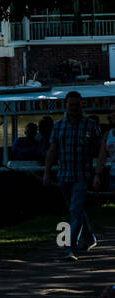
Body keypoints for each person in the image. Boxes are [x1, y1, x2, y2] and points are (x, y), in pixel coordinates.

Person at [44, 90, 102, 260]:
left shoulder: (90, 125)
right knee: (76, 210)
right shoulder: (59, 126)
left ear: (81, 105)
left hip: (82, 175)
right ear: (66, 106)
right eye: (71, 105)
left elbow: (99, 150)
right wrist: (47, 173)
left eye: (77, 105)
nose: (74, 108)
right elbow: (52, 150)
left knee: (75, 210)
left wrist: (97, 173)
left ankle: (70, 247)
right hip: (64, 175)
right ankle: (90, 238)